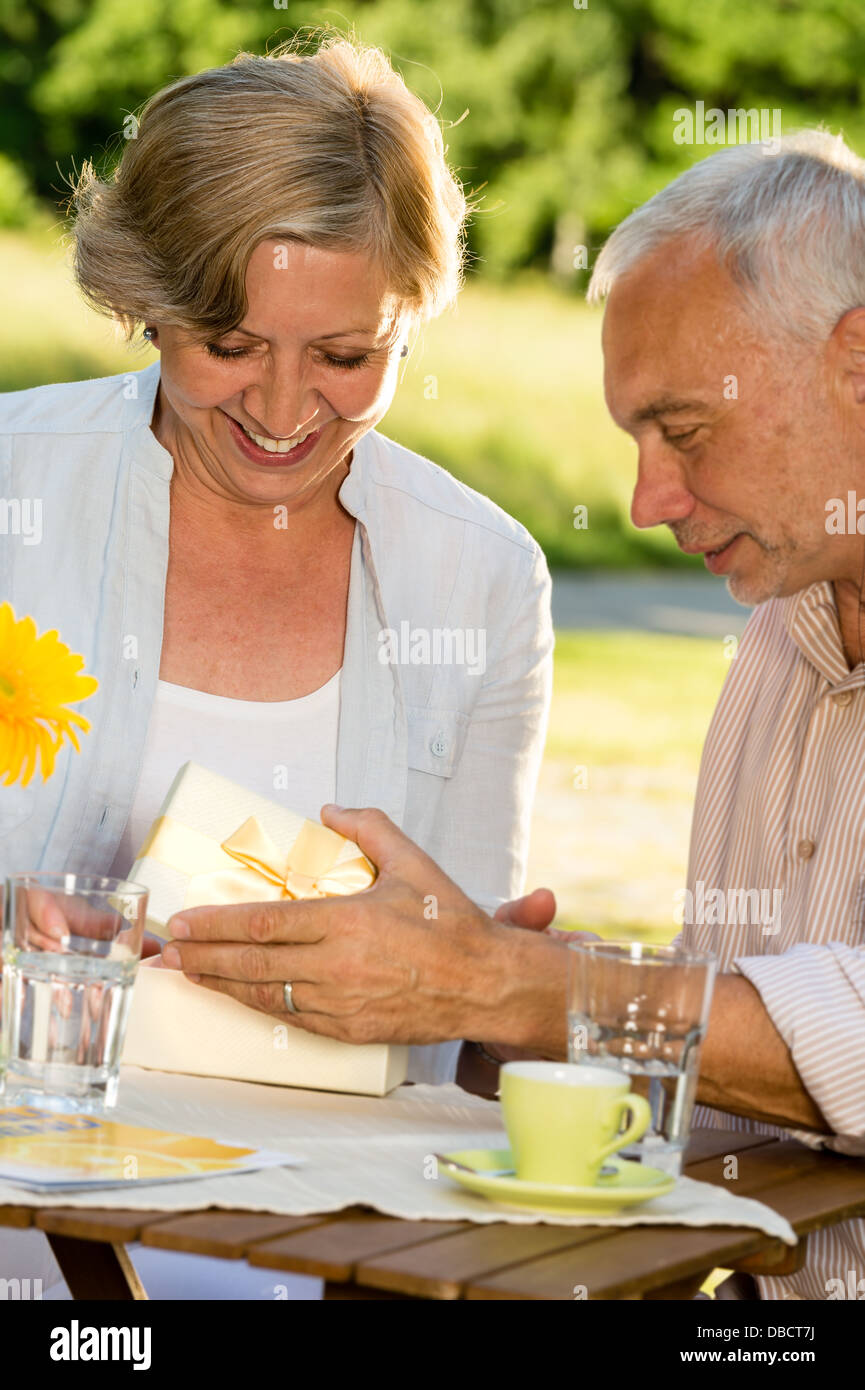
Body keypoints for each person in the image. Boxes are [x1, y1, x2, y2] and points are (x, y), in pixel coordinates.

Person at [162, 131, 865, 1300]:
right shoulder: (778, 646)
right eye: (634, 440)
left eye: (685, 431)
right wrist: (495, 1017)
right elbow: (745, 1094)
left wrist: (524, 989)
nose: (647, 501)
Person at [0, 35, 553, 1297]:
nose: (285, 408)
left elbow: (462, 1034)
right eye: (230, 344)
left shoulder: (480, 575)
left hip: (332, 1265)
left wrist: (502, 987)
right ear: (147, 298)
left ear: (410, 320)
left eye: (349, 358)